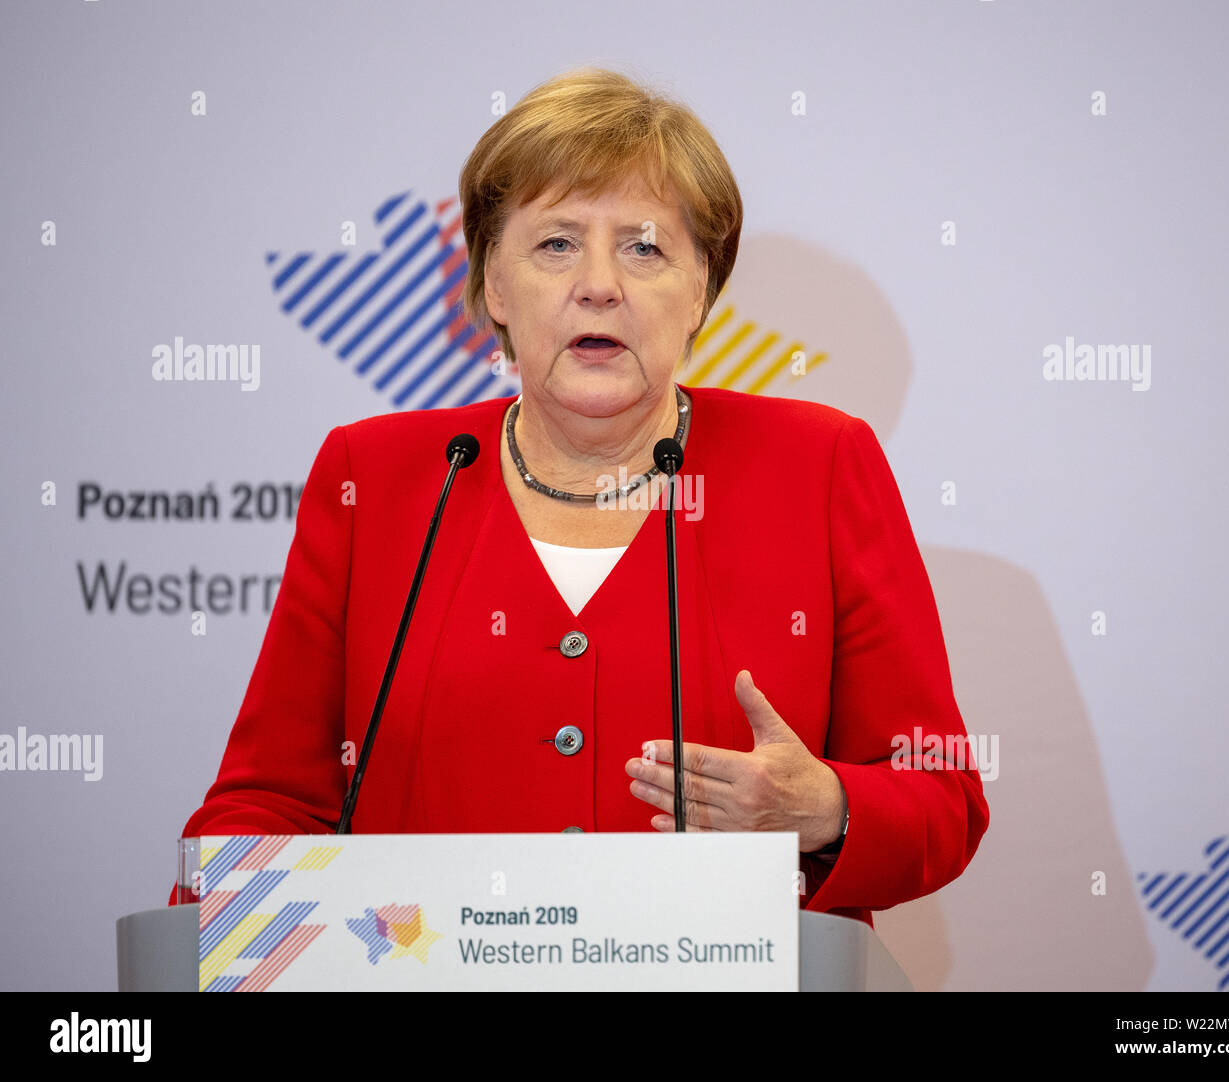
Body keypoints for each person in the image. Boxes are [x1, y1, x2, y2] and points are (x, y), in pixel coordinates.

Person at [176, 67, 988, 926]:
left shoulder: (820, 464)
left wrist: (824, 808)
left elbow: (939, 797)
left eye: (644, 247)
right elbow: (265, 806)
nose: (600, 284)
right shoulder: (373, 477)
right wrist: (211, 939)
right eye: (557, 243)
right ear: (494, 285)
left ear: (701, 292)